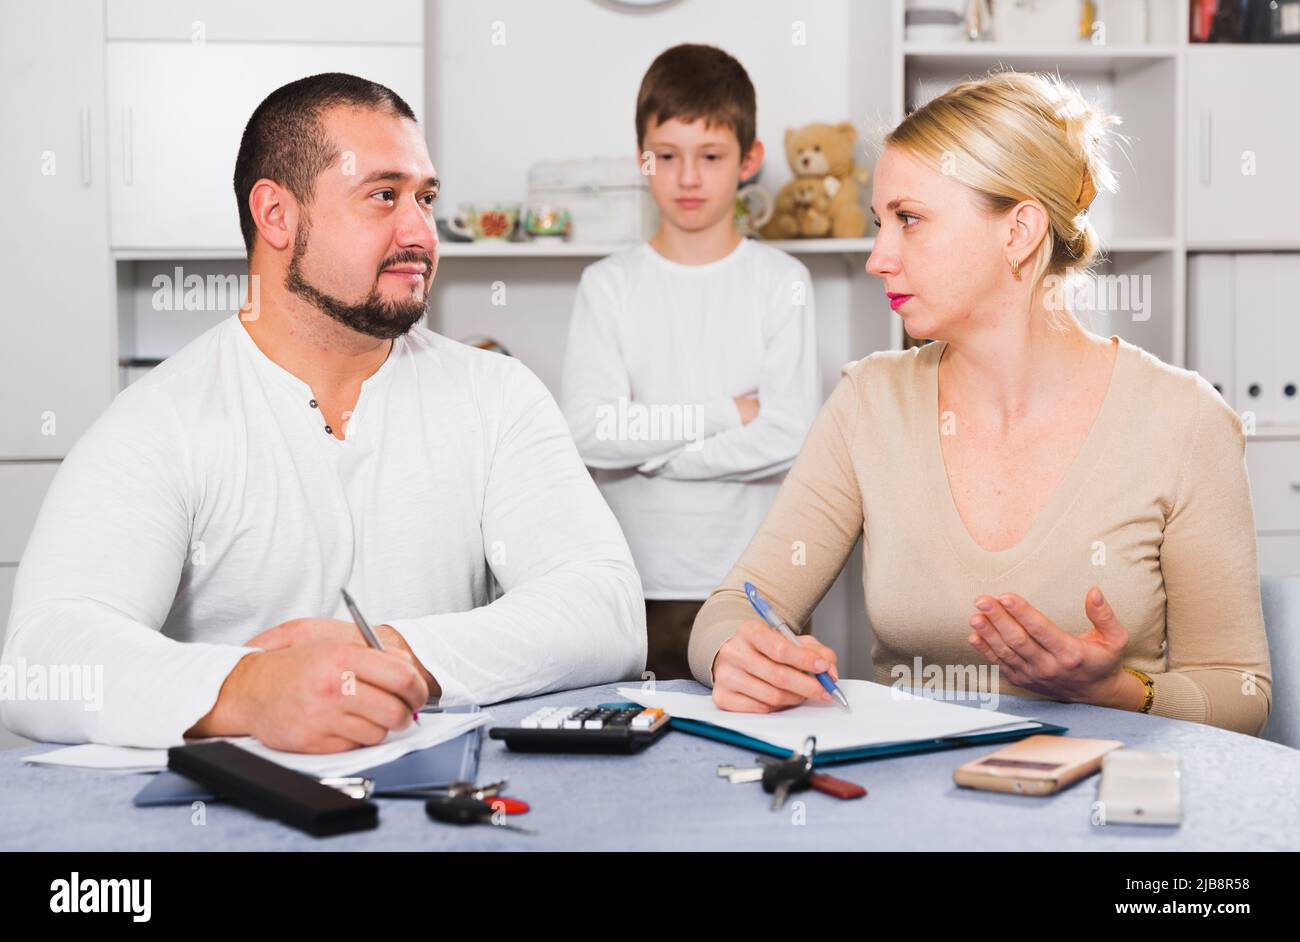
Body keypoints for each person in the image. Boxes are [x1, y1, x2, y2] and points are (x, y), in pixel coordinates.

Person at [0, 72, 645, 751]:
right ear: (276, 215)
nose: (421, 232)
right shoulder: (160, 422)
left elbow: (605, 611)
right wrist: (248, 689)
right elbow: (43, 661)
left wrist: (393, 653)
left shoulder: (498, 397)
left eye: (426, 198)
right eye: (383, 196)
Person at [689, 71, 1272, 736]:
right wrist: (734, 654)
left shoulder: (1184, 421)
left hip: (1100, 818)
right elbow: (736, 606)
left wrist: (1115, 690)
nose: (879, 256)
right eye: (882, 223)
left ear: (1019, 231)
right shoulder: (869, 403)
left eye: (909, 220)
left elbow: (1241, 691)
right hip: (904, 804)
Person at [561, 44, 820, 680]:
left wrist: (652, 452)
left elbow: (789, 436)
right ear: (642, 158)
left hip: (754, 583)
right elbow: (591, 433)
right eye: (667, 157)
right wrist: (729, 412)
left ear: (749, 161)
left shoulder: (782, 280)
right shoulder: (608, 285)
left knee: (762, 745)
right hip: (634, 579)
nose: (687, 179)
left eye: (710, 157)